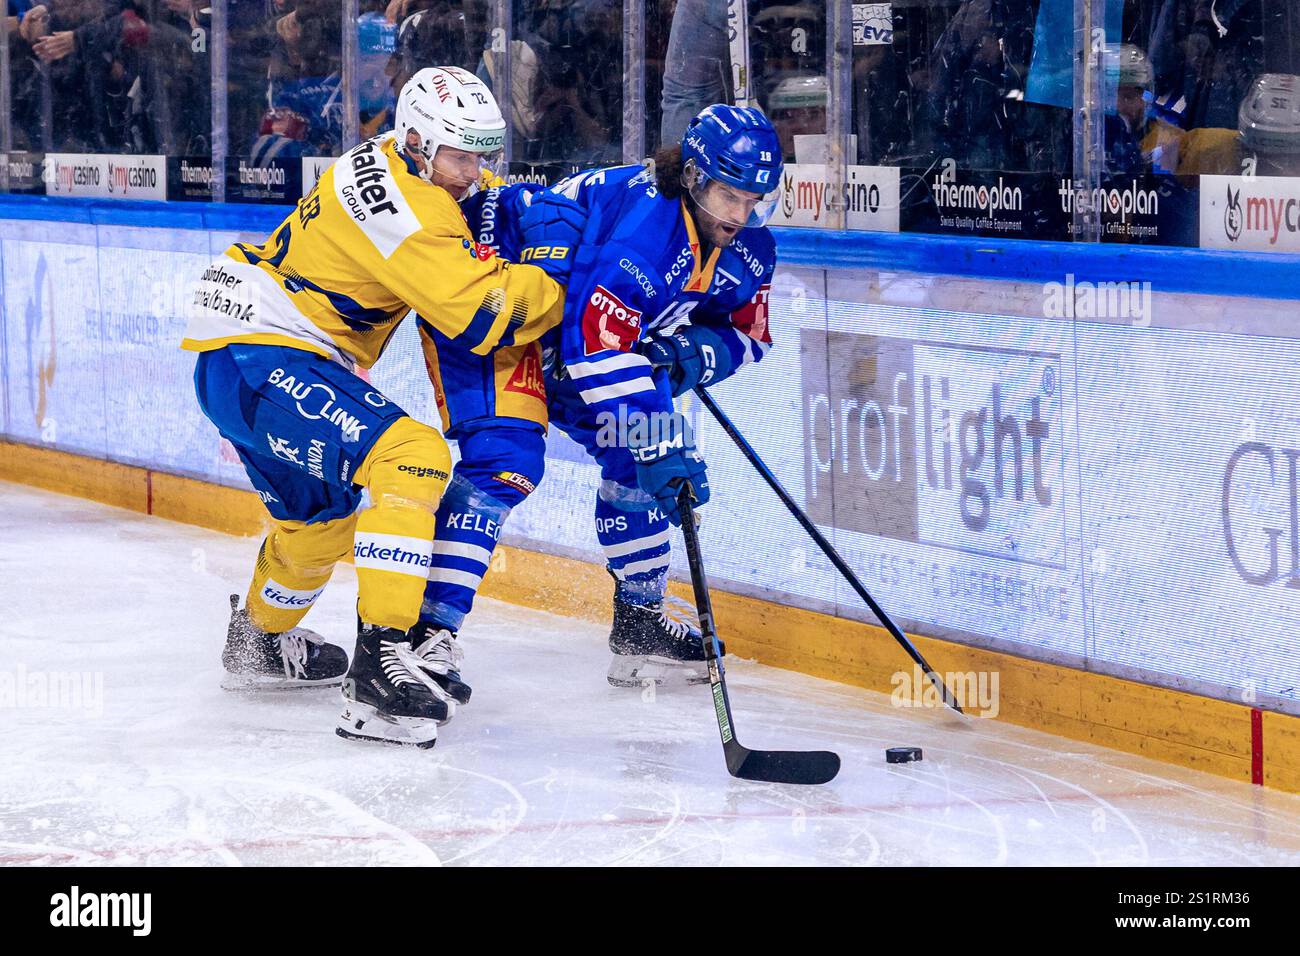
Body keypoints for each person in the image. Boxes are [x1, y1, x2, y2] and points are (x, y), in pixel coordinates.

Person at [180, 66, 574, 748]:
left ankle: (258, 644)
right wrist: (558, 271)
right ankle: (379, 666)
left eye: (484, 155)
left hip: (234, 362)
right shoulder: (412, 209)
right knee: (414, 456)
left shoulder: (385, 160)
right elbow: (483, 315)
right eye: (461, 155)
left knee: (317, 526)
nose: (473, 173)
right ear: (418, 142)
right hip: (264, 356)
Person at [415, 104, 781, 690]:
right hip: (496, 292)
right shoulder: (646, 233)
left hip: (572, 325)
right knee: (505, 460)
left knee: (634, 454)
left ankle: (639, 623)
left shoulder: (747, 246)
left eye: (753, 199)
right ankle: (426, 638)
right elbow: (598, 349)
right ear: (691, 176)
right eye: (727, 195)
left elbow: (750, 333)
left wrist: (691, 354)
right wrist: (658, 436)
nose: (740, 214)